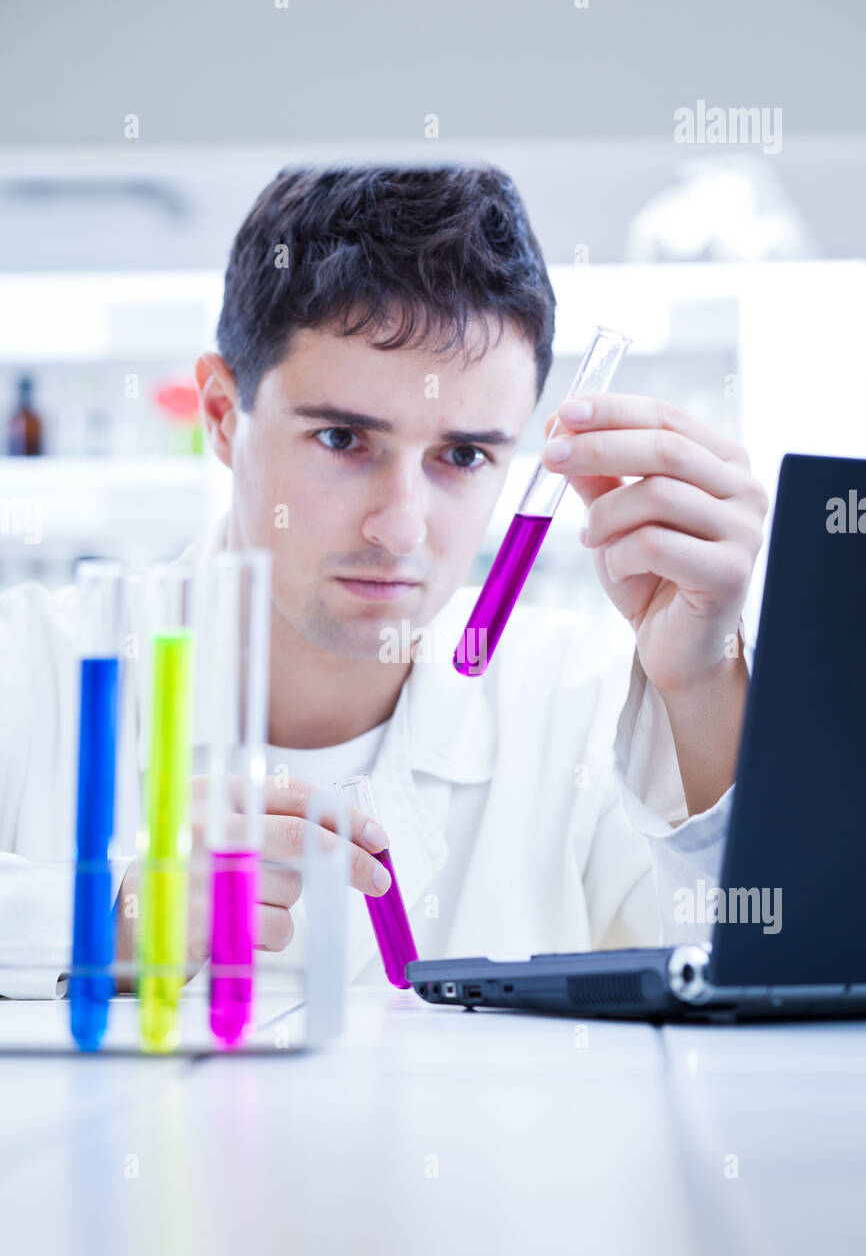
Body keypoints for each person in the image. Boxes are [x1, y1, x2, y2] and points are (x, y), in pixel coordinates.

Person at [0, 163, 767, 999]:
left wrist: (704, 685)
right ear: (223, 415)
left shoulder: (578, 703)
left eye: (464, 455)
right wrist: (105, 927)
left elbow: (768, 989)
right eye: (342, 439)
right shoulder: (29, 664)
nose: (400, 527)